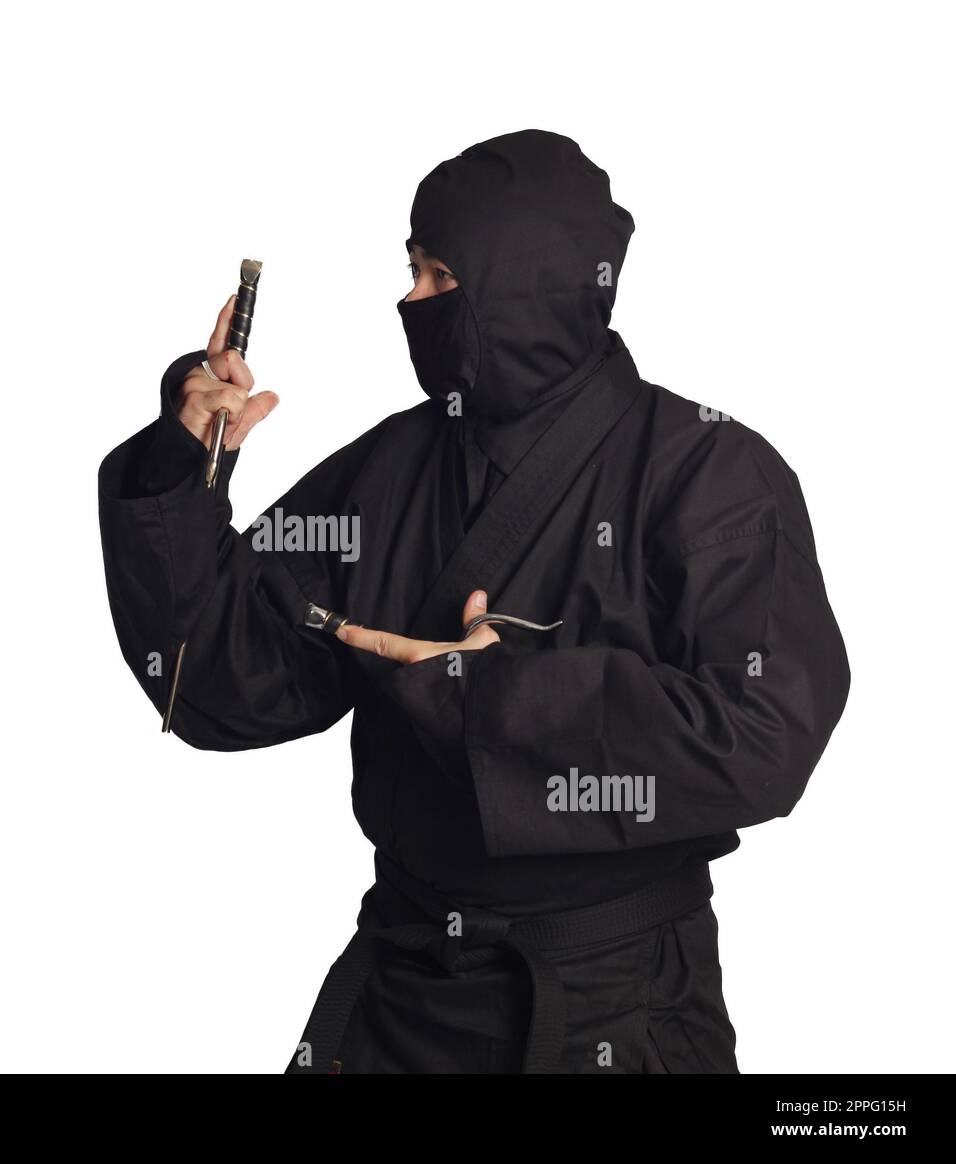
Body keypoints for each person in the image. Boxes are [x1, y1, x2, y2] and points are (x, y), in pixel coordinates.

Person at [97, 129, 850, 1073]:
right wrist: (181, 464)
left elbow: (768, 735)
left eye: (439, 275)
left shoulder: (707, 472)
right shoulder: (388, 469)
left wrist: (496, 699)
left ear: (523, 282)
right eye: (412, 271)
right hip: (405, 994)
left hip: (614, 1008)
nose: (411, 301)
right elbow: (211, 682)